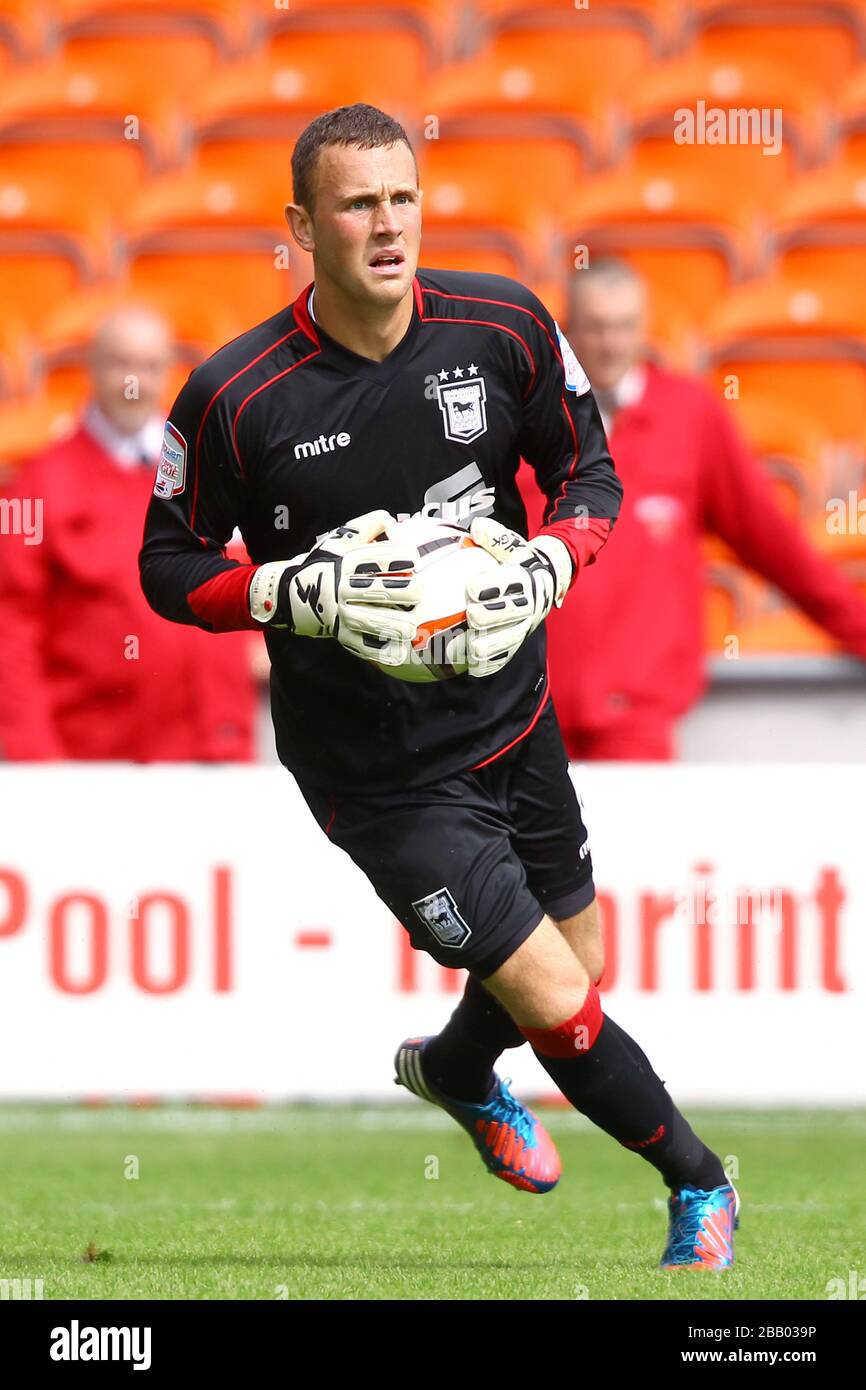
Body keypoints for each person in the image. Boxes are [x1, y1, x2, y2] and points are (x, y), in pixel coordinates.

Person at [139, 104, 738, 1270]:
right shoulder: (236, 394)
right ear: (300, 226)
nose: (386, 225)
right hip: (376, 769)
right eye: (356, 204)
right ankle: (699, 1181)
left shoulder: (503, 325)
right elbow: (168, 563)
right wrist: (280, 591)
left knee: (581, 957)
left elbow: (586, 470)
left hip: (511, 709)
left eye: (401, 198)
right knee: (553, 991)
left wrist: (556, 557)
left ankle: (458, 1068)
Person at [519, 258, 866, 760]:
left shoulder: (690, 417)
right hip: (531, 720)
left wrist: (858, 628)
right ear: (568, 332)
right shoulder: (528, 419)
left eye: (625, 327)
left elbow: (774, 546)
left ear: (645, 328)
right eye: (596, 328)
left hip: (636, 725)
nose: (611, 343)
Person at [0, 306, 257, 761]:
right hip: (96, 764)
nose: (135, 380)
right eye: (121, 362)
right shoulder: (36, 488)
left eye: (151, 365)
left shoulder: (214, 467)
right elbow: (11, 629)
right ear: (91, 366)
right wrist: (36, 762)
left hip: (219, 754)